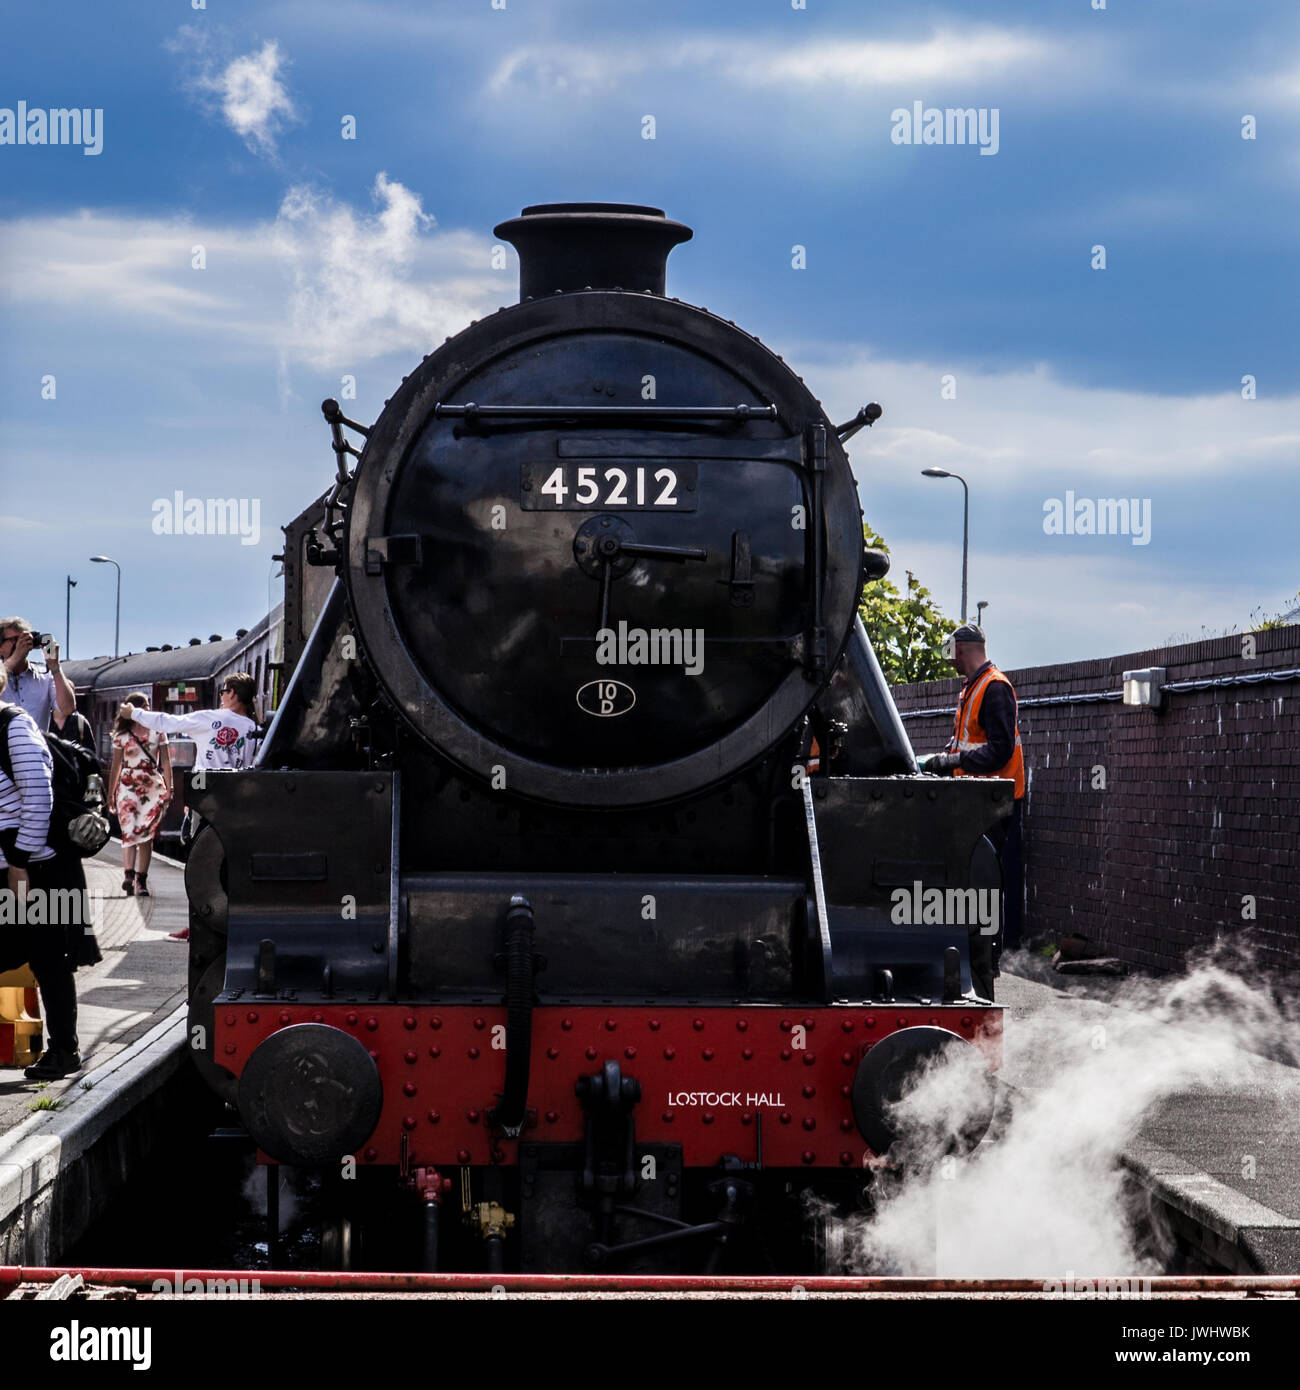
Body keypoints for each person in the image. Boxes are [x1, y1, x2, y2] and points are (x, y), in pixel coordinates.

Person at [0, 662, 102, 1081]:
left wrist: (21, 862)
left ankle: (64, 1051)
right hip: (13, 865)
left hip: (36, 866)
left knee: (48, 961)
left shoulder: (14, 726)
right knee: (36, 957)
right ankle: (58, 1050)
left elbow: (38, 796)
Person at [919, 623, 1025, 999]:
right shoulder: (973, 688)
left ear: (962, 649)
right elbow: (965, 740)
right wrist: (940, 759)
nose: (951, 660)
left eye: (953, 652)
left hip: (995, 803)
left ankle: (987, 958)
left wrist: (951, 762)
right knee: (971, 884)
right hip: (975, 800)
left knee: (983, 882)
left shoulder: (995, 687)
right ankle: (974, 951)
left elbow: (999, 751)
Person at [117, 672, 257, 941]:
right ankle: (229, 924)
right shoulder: (252, 727)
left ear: (233, 694)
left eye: (223, 691)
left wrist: (133, 713)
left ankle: (197, 925)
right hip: (237, 804)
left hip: (206, 800)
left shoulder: (211, 719)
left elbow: (167, 722)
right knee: (229, 865)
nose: (221, 696)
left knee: (199, 864)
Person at [108, 692, 172, 899]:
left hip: (151, 786)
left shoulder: (158, 732)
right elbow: (116, 766)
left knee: (145, 834)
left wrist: (169, 788)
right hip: (128, 785)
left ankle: (140, 880)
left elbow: (166, 763)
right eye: (145, 705)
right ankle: (129, 875)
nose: (147, 709)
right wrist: (111, 792)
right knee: (129, 830)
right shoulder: (121, 736)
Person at [0, 618, 75, 732]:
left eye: (23, 639)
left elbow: (68, 709)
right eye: (14, 640)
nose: (20, 644)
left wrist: (55, 667)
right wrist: (15, 658)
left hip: (35, 748)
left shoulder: (45, 677)